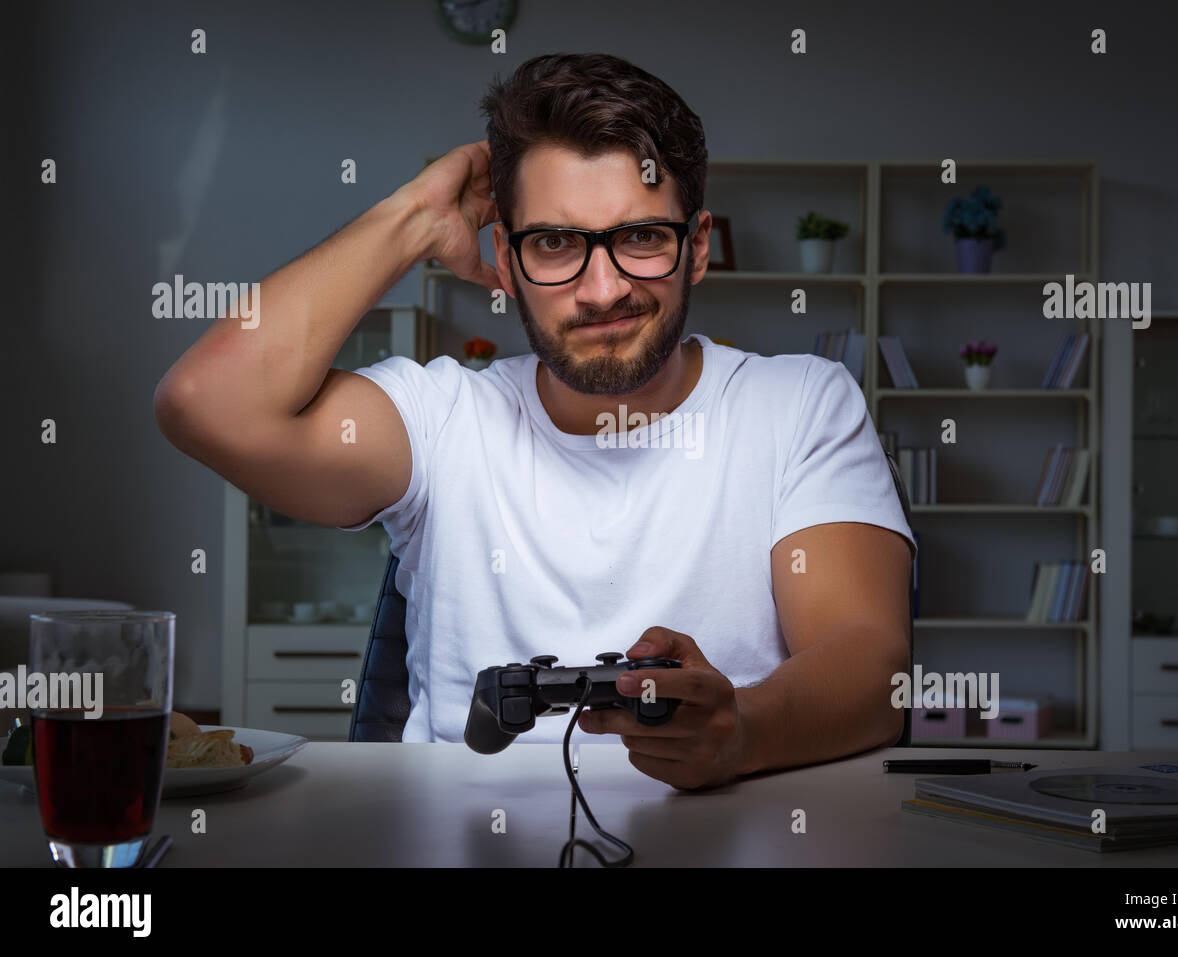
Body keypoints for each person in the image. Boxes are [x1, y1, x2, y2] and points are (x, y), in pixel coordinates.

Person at [153, 52, 915, 790]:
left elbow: (869, 665)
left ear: (697, 248)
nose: (603, 288)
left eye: (641, 237)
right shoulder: (444, 419)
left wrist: (740, 730)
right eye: (555, 243)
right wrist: (414, 216)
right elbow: (202, 403)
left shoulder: (801, 403)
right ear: (506, 261)